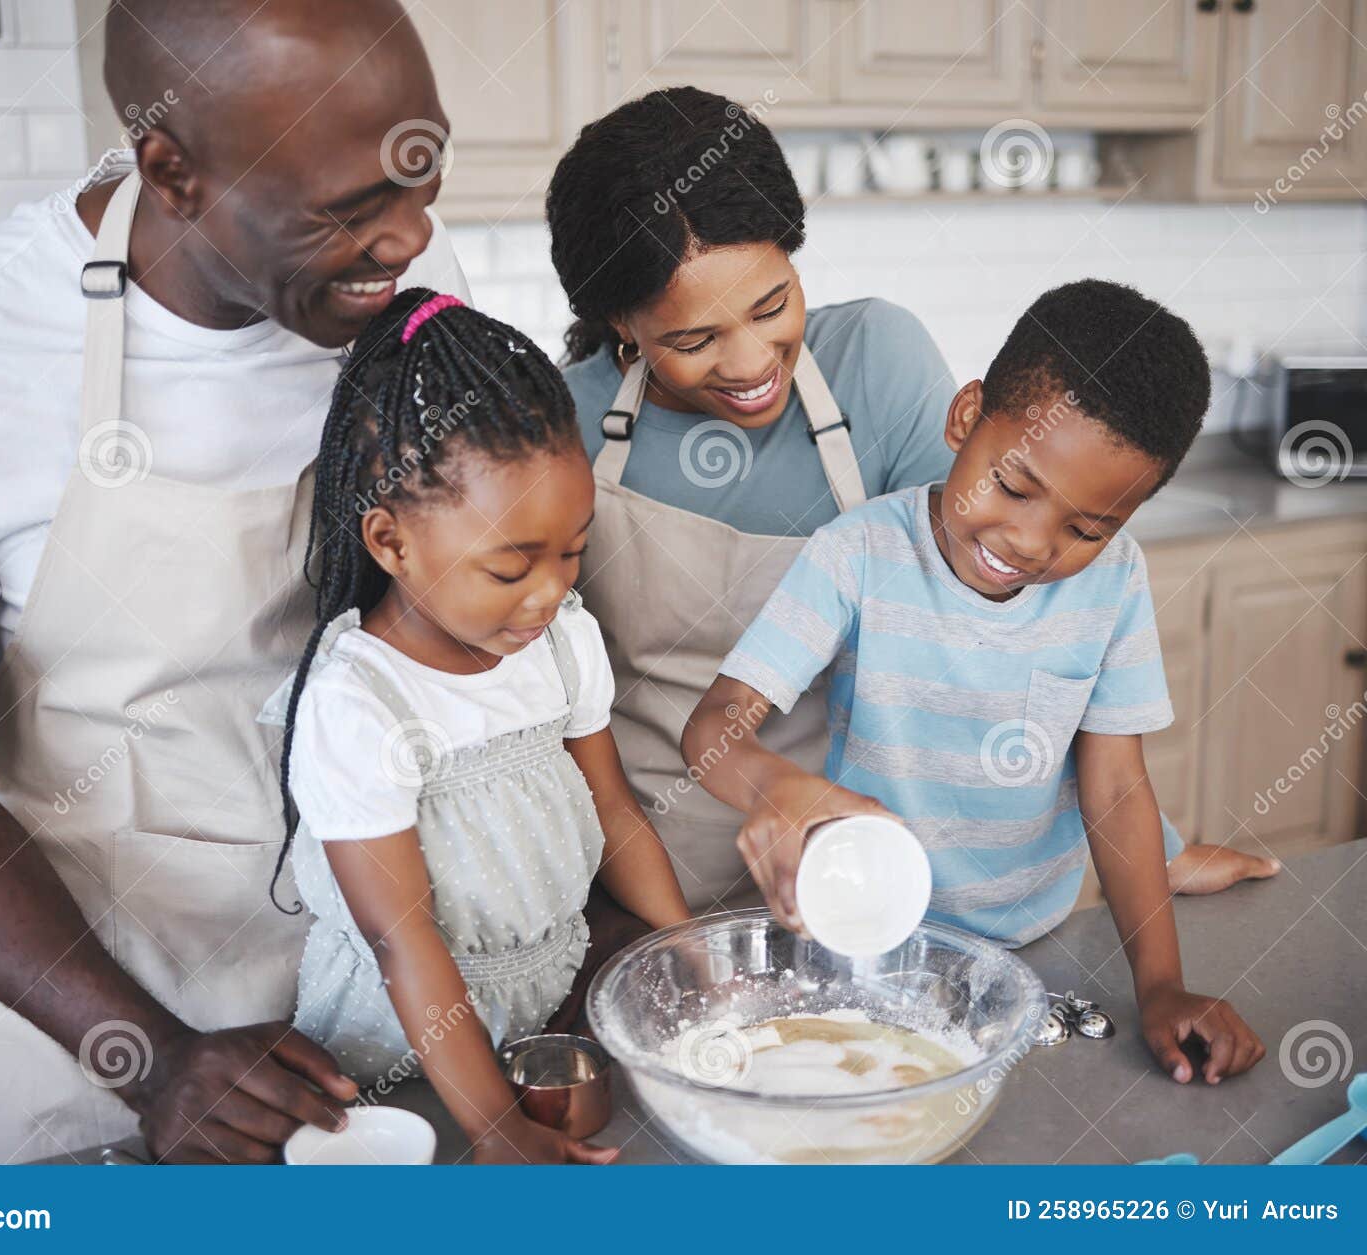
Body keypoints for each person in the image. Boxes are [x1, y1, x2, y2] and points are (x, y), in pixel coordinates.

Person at [0, 0, 470, 1164]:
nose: (408, 236)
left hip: (384, 968)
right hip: (107, 1021)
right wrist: (152, 1057)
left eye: (420, 176)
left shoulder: (395, 279)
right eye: (350, 210)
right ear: (172, 170)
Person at [544, 85, 1275, 921]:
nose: (752, 363)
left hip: (865, 877)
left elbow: (1004, 638)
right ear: (621, 324)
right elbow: (552, 701)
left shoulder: (875, 361)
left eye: (773, 305)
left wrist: (1152, 851)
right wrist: (666, 932)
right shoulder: (560, 426)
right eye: (695, 339)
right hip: (646, 879)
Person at [683, 280, 1265, 1085]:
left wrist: (1160, 984)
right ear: (964, 419)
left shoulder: (1117, 581)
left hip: (1041, 935)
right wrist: (771, 784)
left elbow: (1116, 786)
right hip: (871, 933)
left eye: (1085, 528)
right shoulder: (857, 554)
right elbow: (713, 729)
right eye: (1014, 486)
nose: (1029, 541)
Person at [261, 289, 689, 1162]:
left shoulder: (562, 642)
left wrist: (689, 958)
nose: (549, 592)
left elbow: (613, 811)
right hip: (404, 1059)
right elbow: (401, 935)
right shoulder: (359, 702)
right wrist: (493, 1125)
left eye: (572, 549)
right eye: (509, 567)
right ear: (390, 541)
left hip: (548, 1014)